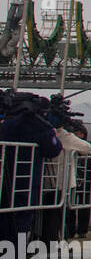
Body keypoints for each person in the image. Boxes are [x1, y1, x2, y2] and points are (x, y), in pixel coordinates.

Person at [0, 99, 63, 247]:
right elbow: (53, 149)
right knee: (22, 215)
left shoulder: (7, 123)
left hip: (5, 177)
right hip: (27, 179)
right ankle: (15, 254)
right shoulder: (38, 124)